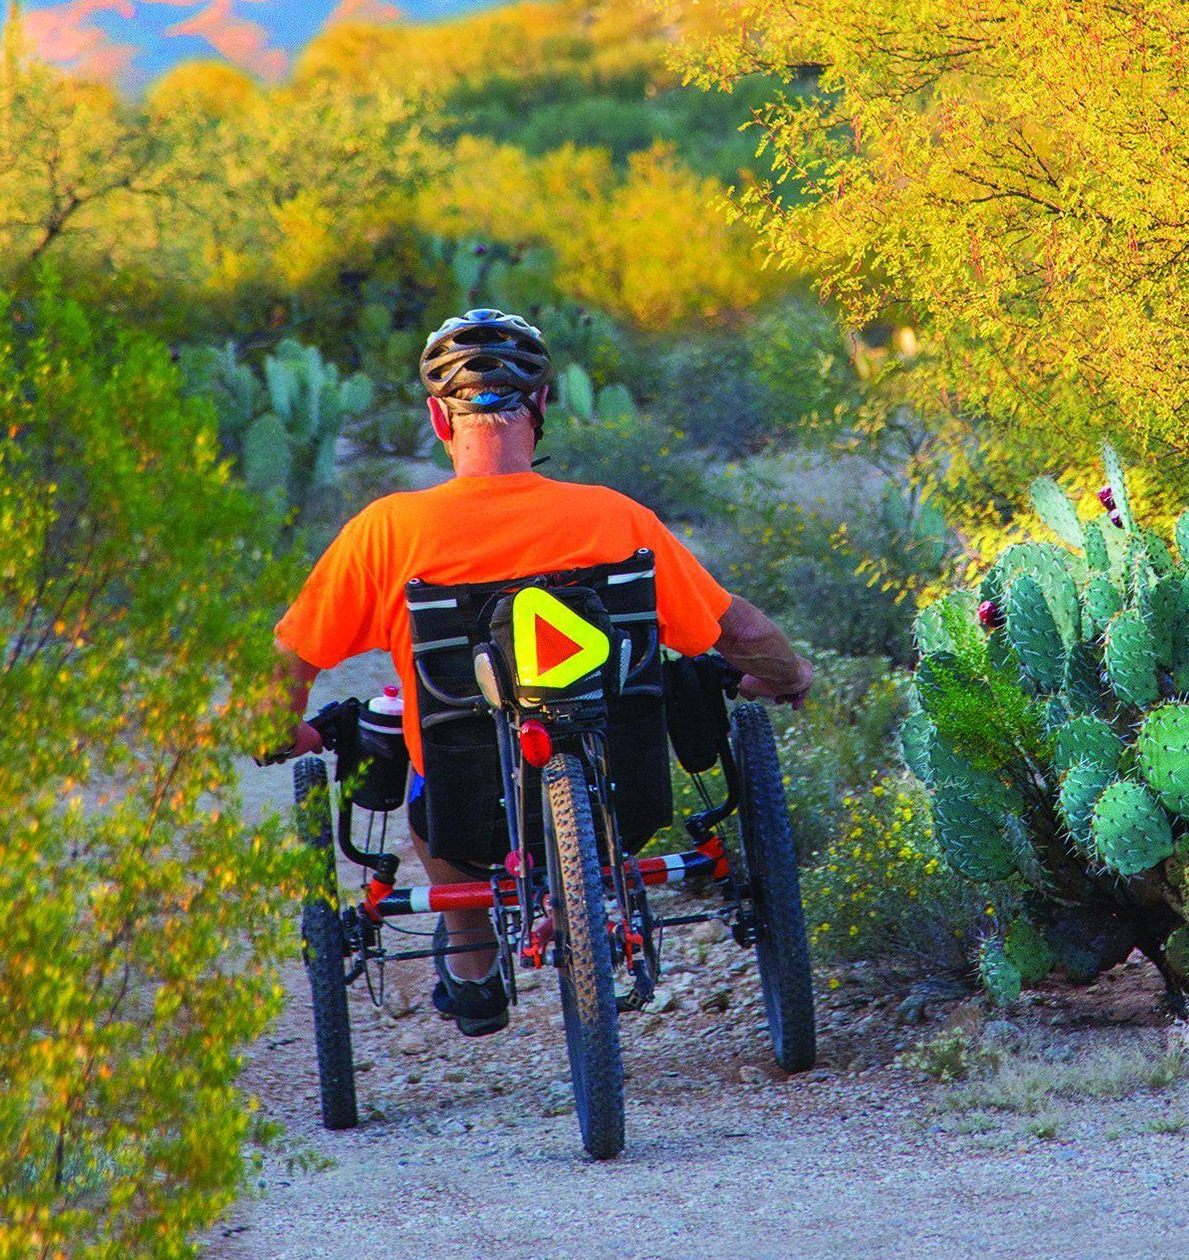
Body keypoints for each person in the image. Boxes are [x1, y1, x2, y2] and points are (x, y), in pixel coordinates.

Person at [271, 308, 812, 1036]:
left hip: (466, 804)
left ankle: (471, 956)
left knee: (406, 727)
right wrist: (792, 679)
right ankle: (594, 894)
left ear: (438, 418)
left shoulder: (387, 531)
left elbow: (290, 661)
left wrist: (281, 730)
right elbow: (737, 629)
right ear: (544, 405)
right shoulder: (616, 519)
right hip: (623, 784)